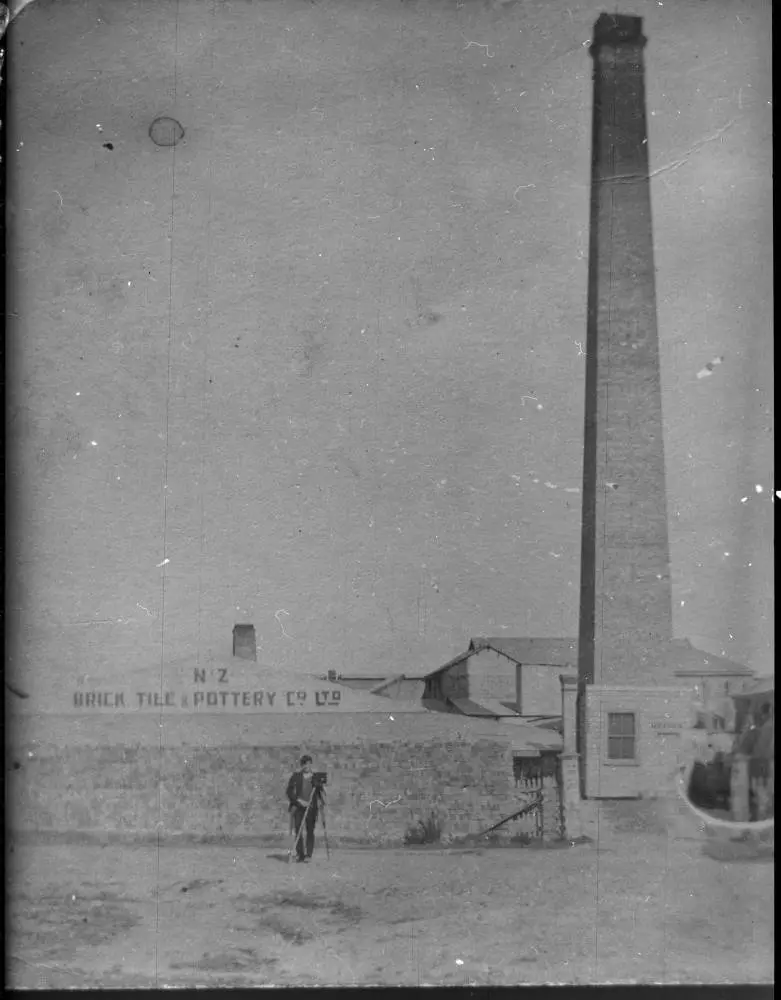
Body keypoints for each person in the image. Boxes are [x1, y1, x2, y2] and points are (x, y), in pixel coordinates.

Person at [286, 755, 319, 863]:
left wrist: (319, 786)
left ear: (311, 764)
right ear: (302, 765)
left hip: (311, 808)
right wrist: (298, 801)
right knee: (298, 830)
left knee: (310, 830)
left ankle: (308, 855)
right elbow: (289, 792)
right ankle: (300, 854)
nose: (306, 766)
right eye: (304, 764)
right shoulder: (296, 776)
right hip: (298, 807)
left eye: (308, 763)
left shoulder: (315, 777)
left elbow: (320, 792)